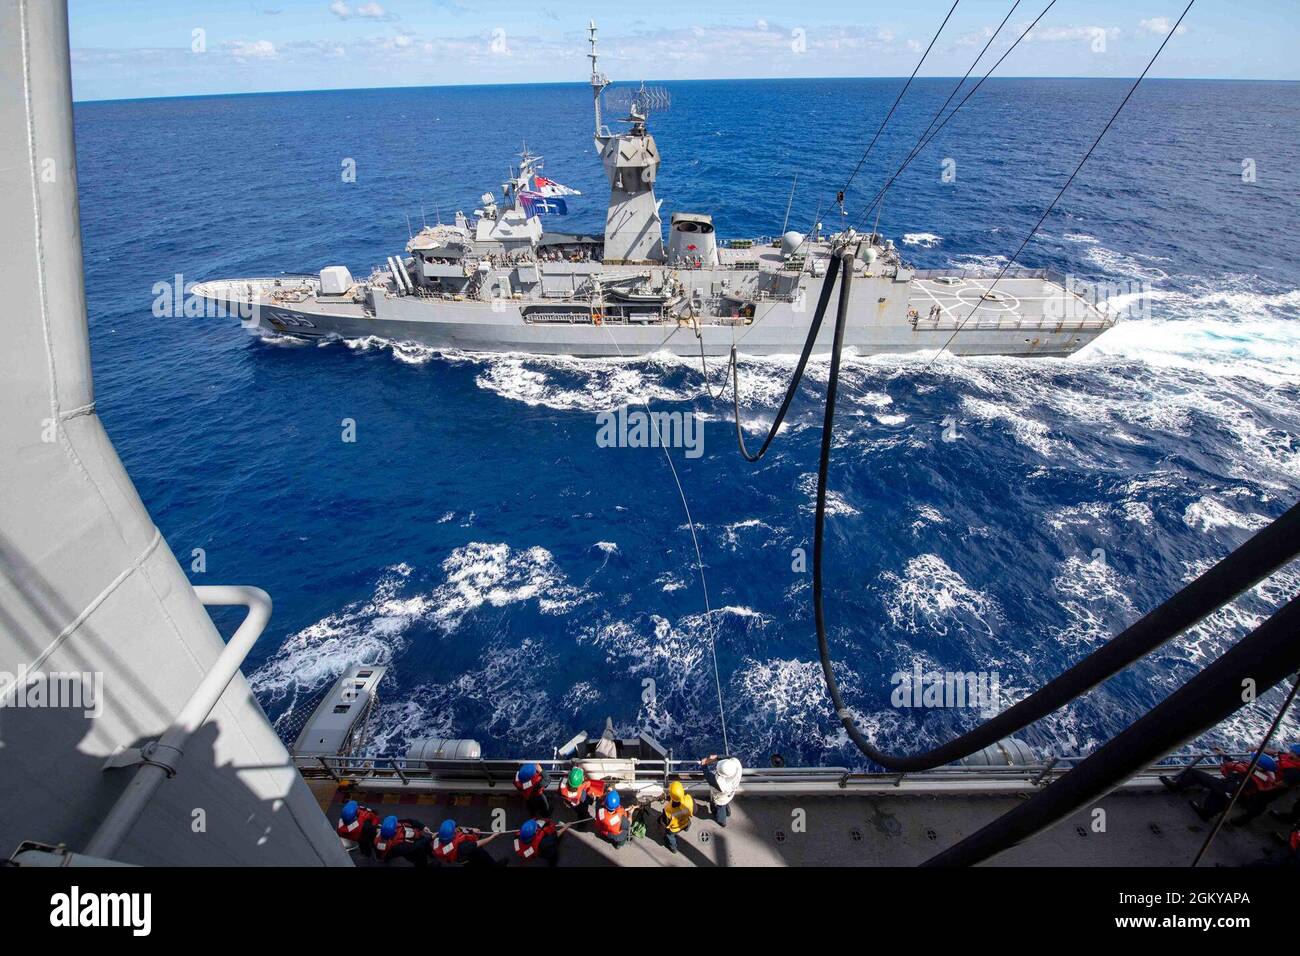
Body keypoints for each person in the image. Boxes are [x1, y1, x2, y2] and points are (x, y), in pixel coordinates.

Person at [1161, 752, 1283, 823]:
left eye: (1254, 761)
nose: (1251, 761)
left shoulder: (1249, 779)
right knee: (1220, 798)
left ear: (1259, 767)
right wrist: (1225, 756)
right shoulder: (1262, 775)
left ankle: (1175, 786)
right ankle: (1206, 814)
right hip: (1237, 794)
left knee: (1195, 774)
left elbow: (1230, 788)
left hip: (1229, 790)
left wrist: (1223, 783)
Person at [431, 819, 505, 868]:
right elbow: (477, 843)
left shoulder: (441, 838)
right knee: (483, 856)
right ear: (453, 834)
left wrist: (472, 829)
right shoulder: (463, 847)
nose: (457, 829)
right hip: (471, 855)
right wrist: (492, 836)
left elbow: (459, 828)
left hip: (462, 859)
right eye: (455, 829)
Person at [700, 754, 742, 827]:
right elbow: (730, 757)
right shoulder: (737, 764)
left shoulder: (718, 783)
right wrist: (716, 757)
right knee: (725, 804)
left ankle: (722, 822)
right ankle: (728, 813)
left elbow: (707, 775)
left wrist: (703, 764)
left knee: (720, 809)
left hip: (720, 800)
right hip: (730, 794)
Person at [659, 780, 694, 854]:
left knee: (669, 836)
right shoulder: (689, 799)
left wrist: (659, 821)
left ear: (670, 794)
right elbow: (695, 810)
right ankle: (686, 828)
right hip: (686, 821)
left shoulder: (667, 810)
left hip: (674, 829)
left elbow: (665, 823)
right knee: (687, 823)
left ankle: (673, 848)